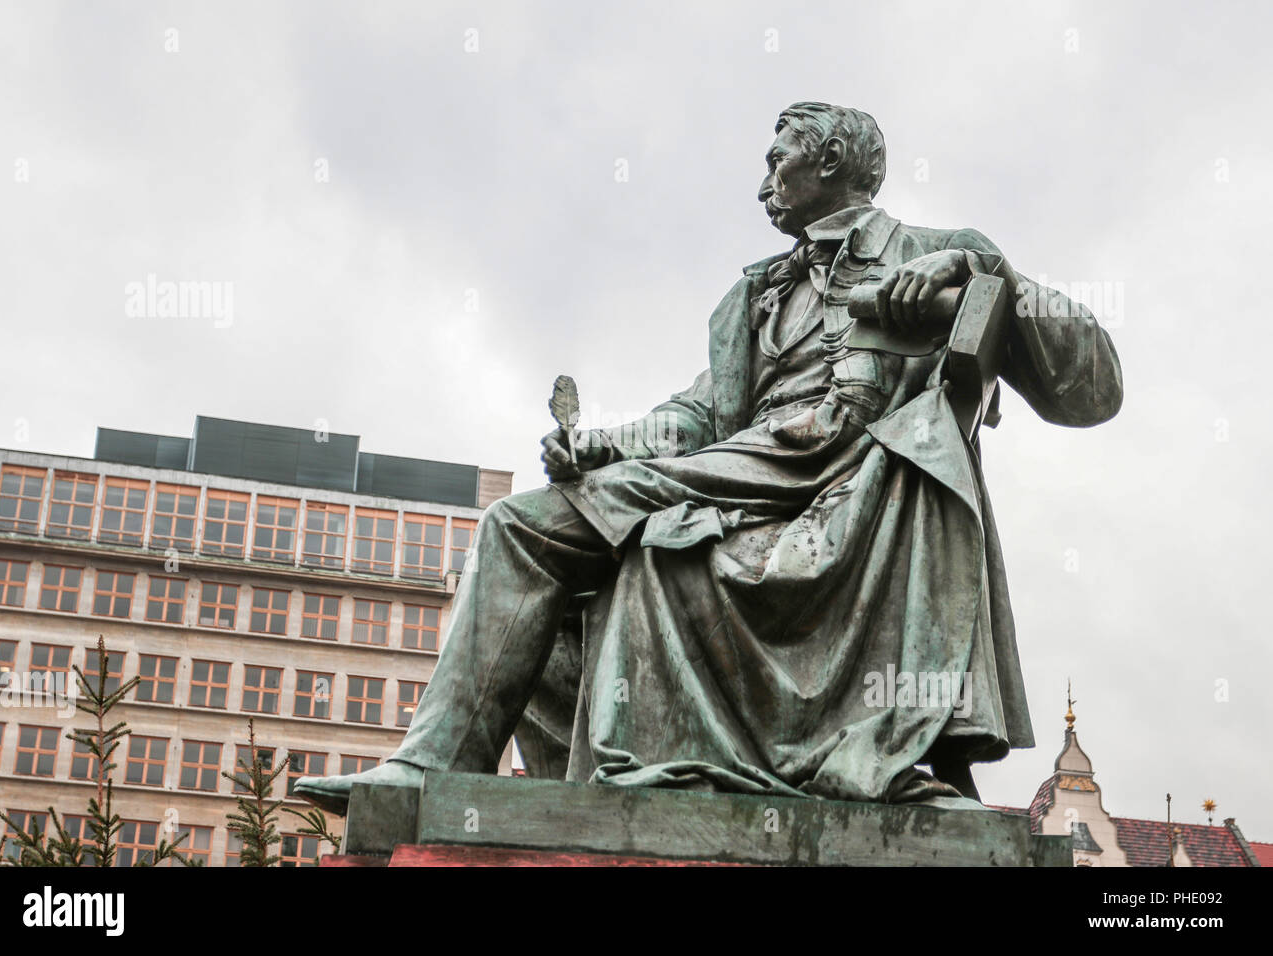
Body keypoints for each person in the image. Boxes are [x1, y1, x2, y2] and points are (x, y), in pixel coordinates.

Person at [296, 102, 1122, 815]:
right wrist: (603, 442)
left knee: (541, 532)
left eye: (777, 158)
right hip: (751, 469)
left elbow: (1094, 386)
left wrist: (992, 274)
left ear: (830, 160)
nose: (763, 180)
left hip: (851, 490)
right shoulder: (754, 294)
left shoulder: (936, 248)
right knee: (523, 529)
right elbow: (696, 414)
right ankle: (435, 773)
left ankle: (428, 770)